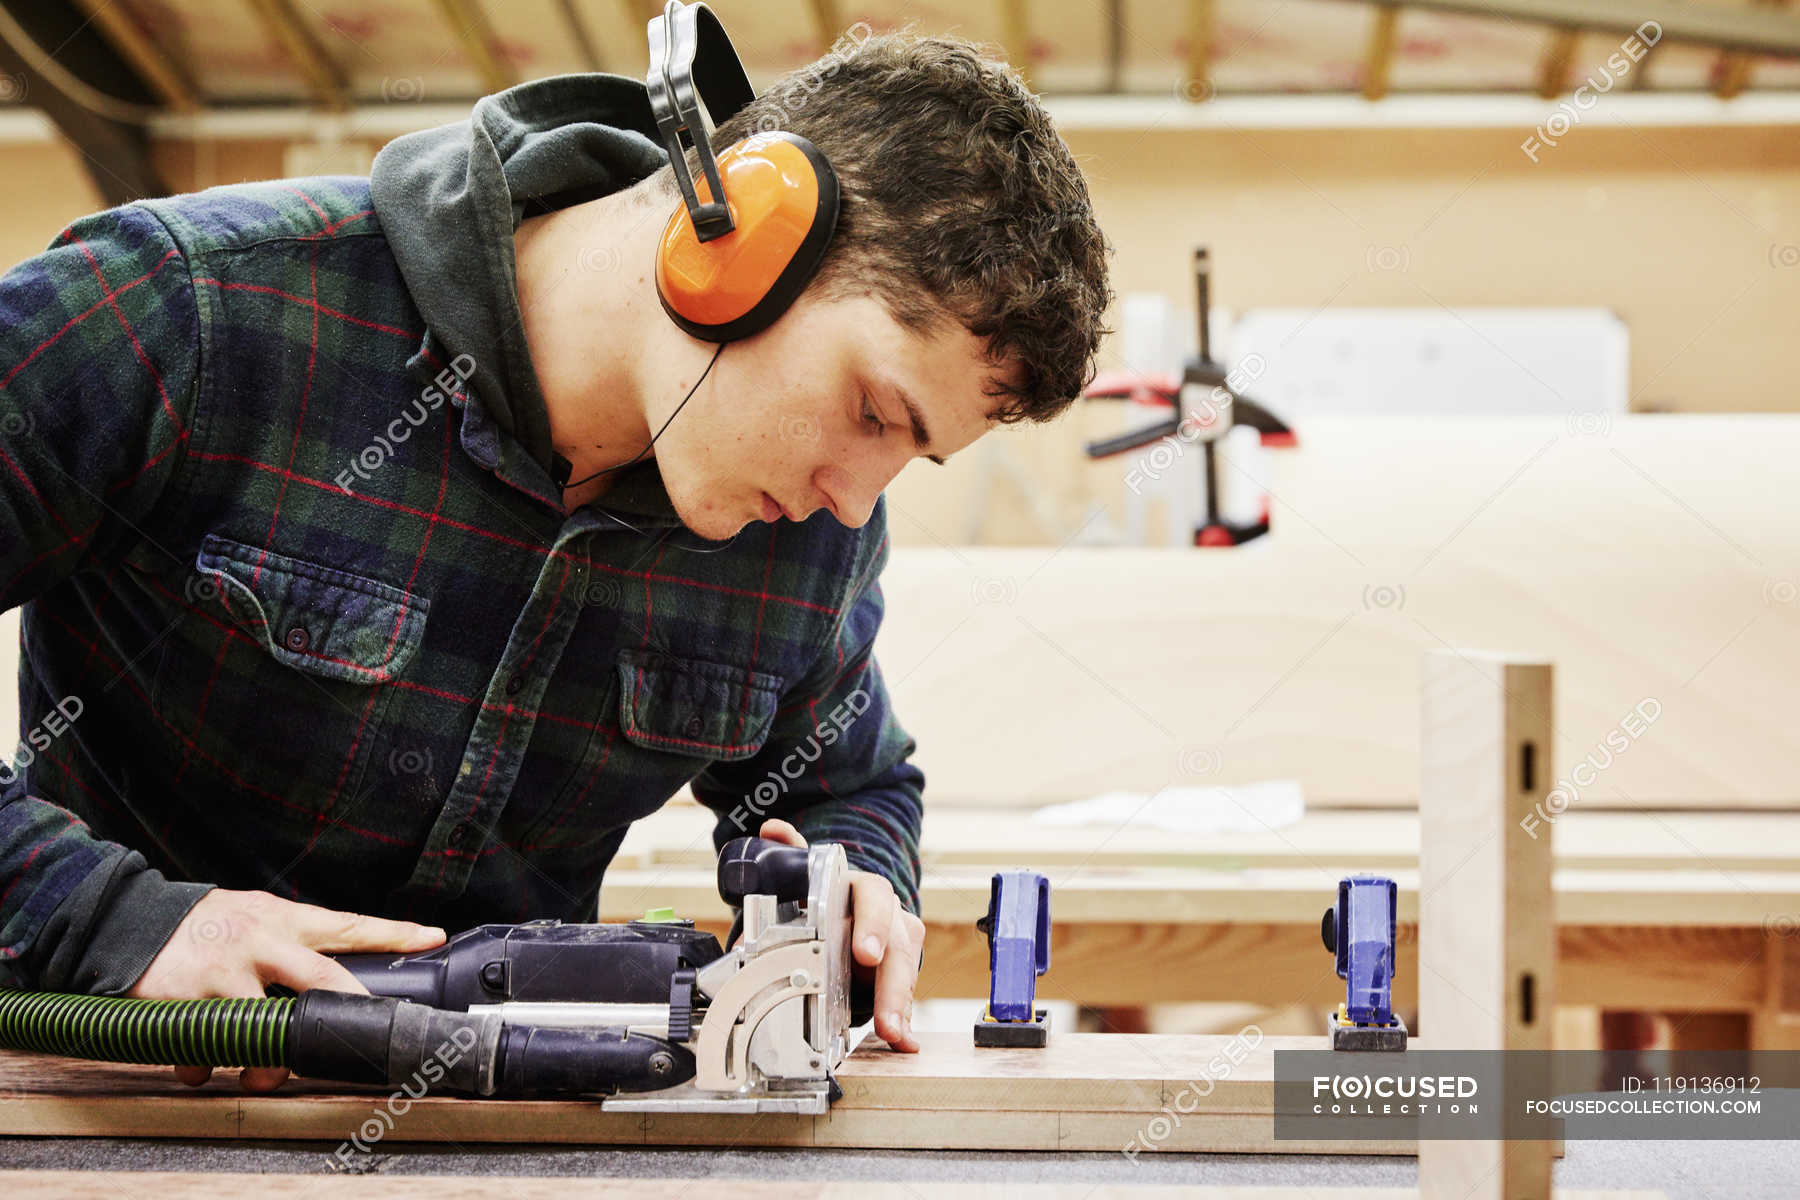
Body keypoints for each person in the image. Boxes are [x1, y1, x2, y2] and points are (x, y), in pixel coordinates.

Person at [0, 27, 1113, 1092]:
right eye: (873, 409)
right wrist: (109, 916)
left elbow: (851, 782)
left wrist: (852, 878)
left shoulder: (807, 534)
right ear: (737, 243)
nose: (855, 496)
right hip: (101, 1091)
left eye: (909, 459)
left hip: (509, 1137)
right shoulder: (191, 311)